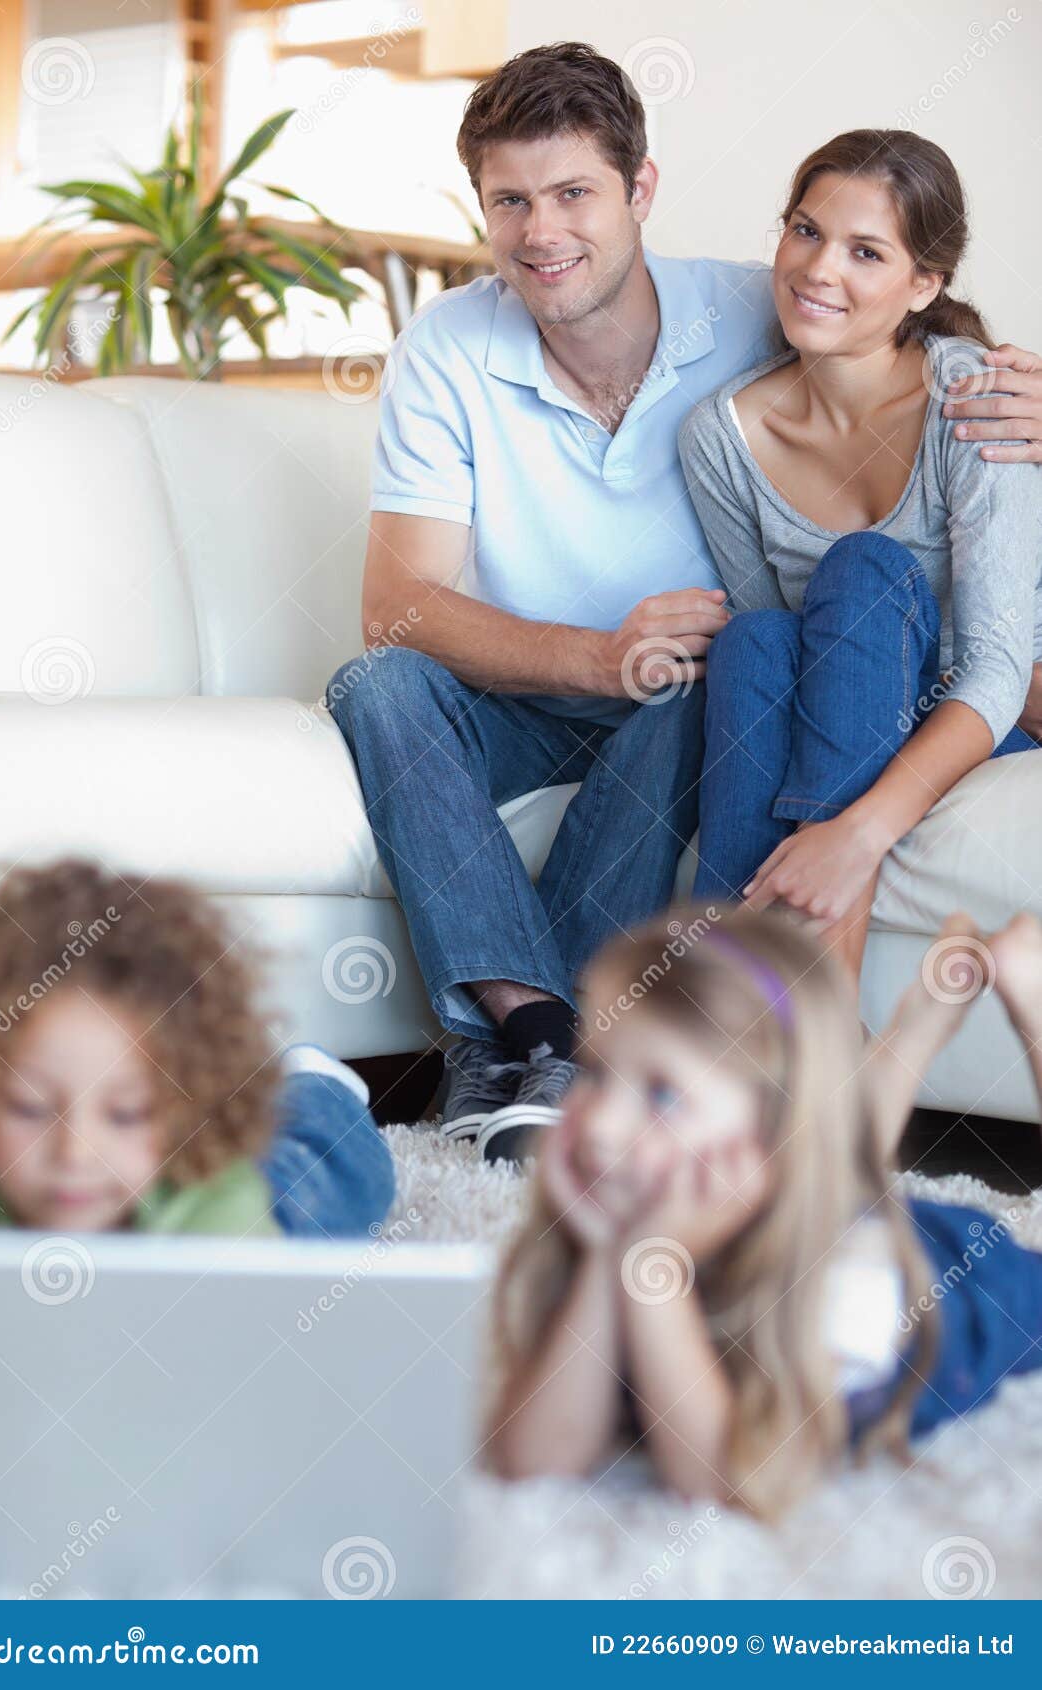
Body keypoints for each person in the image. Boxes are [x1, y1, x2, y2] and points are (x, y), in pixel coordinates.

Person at [329, 44, 1042, 1165]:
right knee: (385, 683)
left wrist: (1023, 390)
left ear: (639, 190)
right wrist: (597, 656)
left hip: (728, 693)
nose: (542, 231)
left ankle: (721, 1037)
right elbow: (396, 610)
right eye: (509, 201)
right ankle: (538, 1028)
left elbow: (892, 346)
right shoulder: (460, 351)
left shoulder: (764, 314)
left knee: (790, 622)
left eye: (574, 193)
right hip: (566, 684)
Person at [485, 902, 1042, 1518]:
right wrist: (607, 1255)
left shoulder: (855, 1290)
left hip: (957, 1279)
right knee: (833, 1175)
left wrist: (651, 1267)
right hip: (797, 1194)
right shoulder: (628, 1210)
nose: (604, 1127)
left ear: (774, 1135)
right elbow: (534, 1462)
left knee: (835, 1186)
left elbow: (731, 1488)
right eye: (596, 1070)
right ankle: (923, 1022)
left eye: (663, 1094)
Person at [679, 129, 1042, 979]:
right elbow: (781, 653)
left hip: (984, 714)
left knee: (861, 568)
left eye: (865, 252)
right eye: (804, 230)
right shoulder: (720, 437)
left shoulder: (976, 398)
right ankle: (741, 1024)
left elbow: (994, 669)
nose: (817, 270)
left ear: (923, 284)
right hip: (845, 699)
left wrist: (853, 834)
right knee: (755, 638)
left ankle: (809, 1026)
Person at [0, 858, 394, 1238]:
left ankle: (317, 1085)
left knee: (326, 1189)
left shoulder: (226, 1222)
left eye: (127, 1113)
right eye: (28, 1107)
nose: (75, 1154)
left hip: (236, 1193)